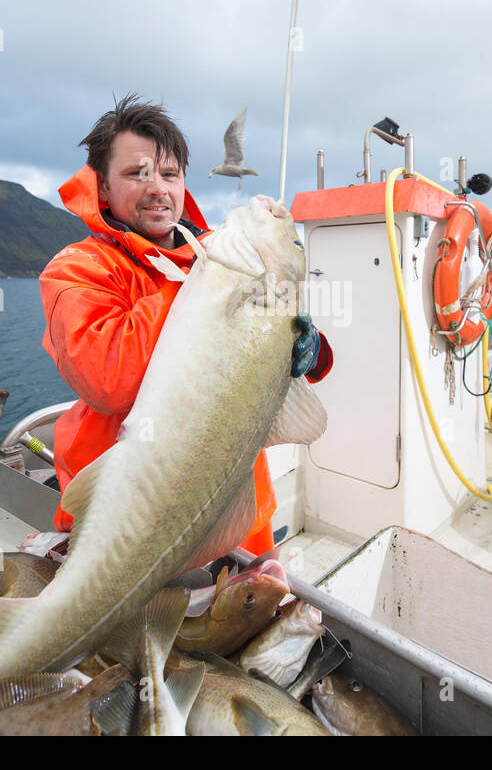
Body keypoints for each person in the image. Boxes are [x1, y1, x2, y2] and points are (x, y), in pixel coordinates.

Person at [39, 95, 332, 556]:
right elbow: (108, 380)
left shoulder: (220, 253)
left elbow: (272, 344)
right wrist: (217, 282)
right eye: (137, 174)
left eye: (170, 174)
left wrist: (307, 346)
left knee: (265, 618)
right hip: (126, 523)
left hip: (240, 510)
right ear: (102, 189)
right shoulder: (79, 269)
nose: (158, 187)